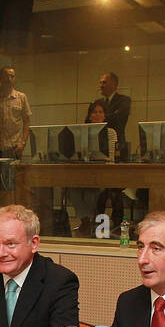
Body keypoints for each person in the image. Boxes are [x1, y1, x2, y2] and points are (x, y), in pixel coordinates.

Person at [67, 100, 120, 236]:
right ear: (90, 115)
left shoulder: (111, 133)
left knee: (93, 192)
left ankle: (88, 222)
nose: (97, 115)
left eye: (100, 112)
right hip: (82, 173)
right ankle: (85, 220)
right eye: (94, 112)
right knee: (73, 190)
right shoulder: (80, 132)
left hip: (103, 173)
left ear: (104, 115)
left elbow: (111, 157)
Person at [0, 66, 32, 161]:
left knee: (15, 175)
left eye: (12, 76)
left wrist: (23, 143)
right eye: (6, 76)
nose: (9, 79)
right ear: (0, 78)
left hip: (15, 147)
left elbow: (27, 122)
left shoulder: (21, 97)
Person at [98, 71, 132, 159]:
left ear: (114, 84)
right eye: (100, 83)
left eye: (104, 82)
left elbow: (118, 118)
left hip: (117, 146)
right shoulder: (97, 103)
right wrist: (110, 115)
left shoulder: (124, 100)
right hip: (99, 148)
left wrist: (100, 117)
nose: (101, 85)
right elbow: (88, 121)